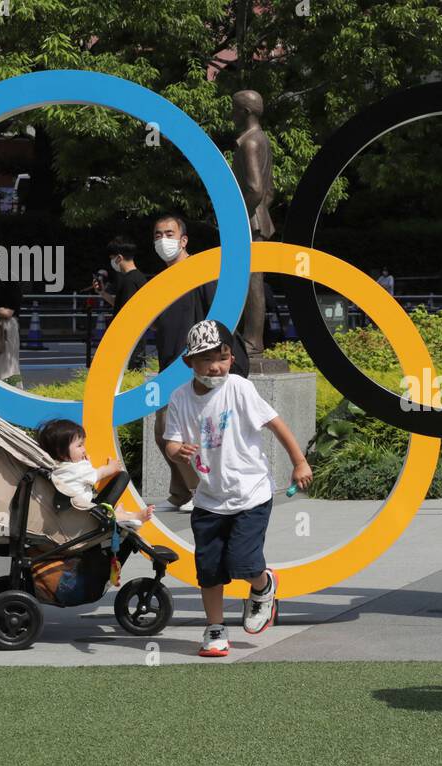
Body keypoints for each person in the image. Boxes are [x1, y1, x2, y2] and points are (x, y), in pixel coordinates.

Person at [162, 320, 311, 656]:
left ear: (231, 358)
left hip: (250, 495)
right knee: (210, 570)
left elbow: (275, 424)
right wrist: (178, 451)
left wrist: (299, 462)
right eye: (206, 359)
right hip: (208, 499)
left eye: (223, 357)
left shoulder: (239, 389)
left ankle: (263, 585)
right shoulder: (180, 398)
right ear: (189, 362)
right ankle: (215, 629)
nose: (216, 366)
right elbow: (171, 441)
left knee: (244, 562)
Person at [149, 213, 250, 512]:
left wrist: (213, 363)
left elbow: (220, 318)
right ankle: (182, 492)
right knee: (164, 431)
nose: (162, 240)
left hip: (194, 367)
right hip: (169, 366)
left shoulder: (201, 273)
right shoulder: (161, 280)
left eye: (168, 233)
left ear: (183, 240)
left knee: (177, 430)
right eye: (157, 235)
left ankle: (197, 491)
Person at [36, 418, 155, 527]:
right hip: (85, 515)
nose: (84, 449)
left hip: (71, 513)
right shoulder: (78, 469)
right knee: (123, 477)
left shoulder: (57, 468)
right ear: (62, 453)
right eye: (80, 445)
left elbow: (83, 476)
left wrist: (85, 463)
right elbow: (100, 474)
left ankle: (116, 512)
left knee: (101, 504)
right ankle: (132, 516)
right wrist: (111, 467)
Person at [97, 235, 148, 370]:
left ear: (119, 258)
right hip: (135, 343)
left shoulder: (129, 281)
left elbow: (126, 315)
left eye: (111, 258)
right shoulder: (138, 278)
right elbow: (121, 305)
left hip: (129, 346)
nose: (112, 262)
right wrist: (103, 293)